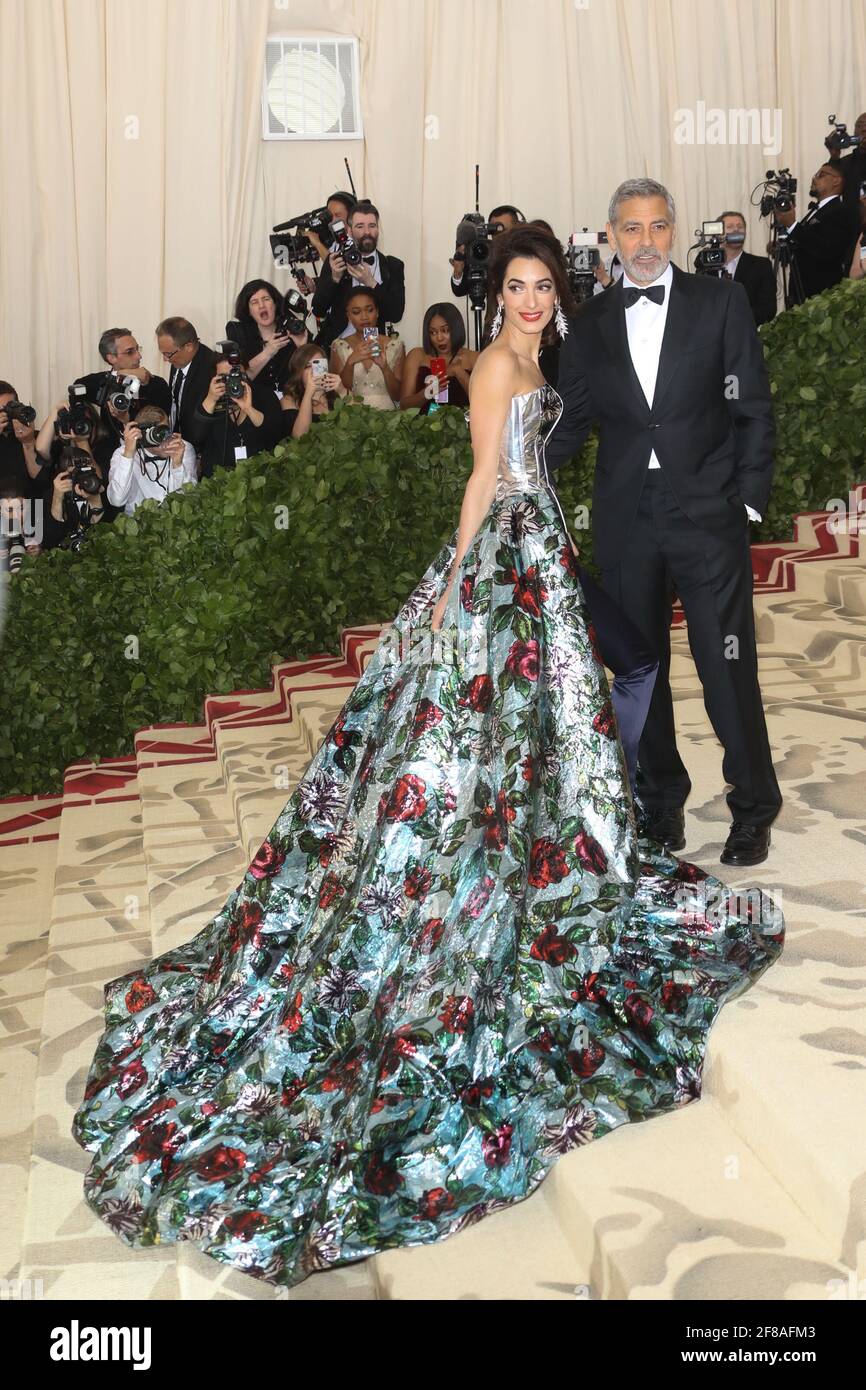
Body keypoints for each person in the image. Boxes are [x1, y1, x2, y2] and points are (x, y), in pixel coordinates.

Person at [71, 222, 784, 1292]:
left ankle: (557, 853)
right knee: (480, 735)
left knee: (548, 728)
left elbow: (551, 454)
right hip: (507, 553)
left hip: (546, 545)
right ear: (492, 292)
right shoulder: (497, 363)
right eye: (519, 284)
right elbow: (487, 474)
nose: (535, 298)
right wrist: (453, 588)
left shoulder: (544, 354)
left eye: (546, 284)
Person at [545, 177, 781, 868]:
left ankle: (753, 806)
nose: (644, 243)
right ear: (611, 234)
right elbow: (575, 421)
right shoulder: (587, 325)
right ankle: (659, 800)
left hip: (706, 515)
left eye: (655, 228)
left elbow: (753, 408)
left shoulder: (720, 302)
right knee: (638, 670)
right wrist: (519, 474)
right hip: (626, 520)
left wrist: (745, 500)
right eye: (630, 229)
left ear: (671, 232)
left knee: (724, 664)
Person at [312, 200, 405, 350]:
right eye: (360, 226)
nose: (367, 232)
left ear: (378, 229)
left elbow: (395, 314)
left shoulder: (392, 266)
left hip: (375, 346)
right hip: (338, 346)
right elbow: (318, 309)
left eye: (372, 226)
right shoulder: (335, 261)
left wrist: (371, 283)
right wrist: (334, 279)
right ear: (349, 231)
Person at [776, 160, 861, 305]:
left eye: (821, 174)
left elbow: (827, 249)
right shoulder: (815, 211)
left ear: (836, 181)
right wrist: (784, 245)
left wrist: (793, 225)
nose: (814, 178)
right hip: (802, 296)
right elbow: (807, 245)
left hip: (821, 299)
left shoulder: (841, 211)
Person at [189, 349, 283, 479]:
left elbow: (275, 434)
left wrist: (249, 409)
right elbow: (196, 439)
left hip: (260, 478)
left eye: (236, 374)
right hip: (219, 482)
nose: (232, 381)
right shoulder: (208, 399)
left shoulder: (264, 395)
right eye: (225, 377)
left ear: (246, 372)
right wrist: (211, 399)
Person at [106, 406, 197, 515]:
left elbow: (189, 498)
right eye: (158, 434)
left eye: (166, 431)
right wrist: (128, 455)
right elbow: (116, 500)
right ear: (143, 435)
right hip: (138, 524)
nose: (165, 439)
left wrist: (177, 465)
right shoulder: (123, 453)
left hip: (175, 520)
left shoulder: (182, 447)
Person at [225, 281, 309, 399]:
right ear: (248, 311)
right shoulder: (240, 334)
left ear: (275, 304)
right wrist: (268, 352)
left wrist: (302, 348)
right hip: (255, 403)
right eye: (254, 302)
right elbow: (239, 381)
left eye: (266, 299)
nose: (261, 306)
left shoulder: (291, 329)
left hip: (290, 401)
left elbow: (308, 380)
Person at [329, 288, 405, 409]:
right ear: (348, 315)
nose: (364, 317)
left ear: (377, 312)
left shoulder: (395, 345)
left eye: (370, 310)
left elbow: (398, 396)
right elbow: (337, 395)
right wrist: (350, 362)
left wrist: (385, 367)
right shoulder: (339, 346)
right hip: (352, 419)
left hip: (388, 420)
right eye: (356, 312)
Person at [399, 303, 477, 413]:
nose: (439, 338)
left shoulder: (473, 357)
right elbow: (403, 405)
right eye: (433, 332)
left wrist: (459, 372)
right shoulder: (417, 355)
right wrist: (426, 393)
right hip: (422, 425)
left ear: (456, 328)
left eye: (445, 330)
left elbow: (484, 402)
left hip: (461, 426)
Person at [155, 318, 217, 441]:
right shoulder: (180, 359)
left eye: (168, 354)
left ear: (188, 346)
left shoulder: (211, 369)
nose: (165, 360)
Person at [717, 210, 777, 325]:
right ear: (719, 234)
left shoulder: (761, 266)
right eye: (729, 227)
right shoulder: (707, 267)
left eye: (740, 227)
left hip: (746, 333)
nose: (736, 230)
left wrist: (736, 320)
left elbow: (768, 309)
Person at [279, 344, 348, 441]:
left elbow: (362, 418)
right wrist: (308, 393)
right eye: (308, 366)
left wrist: (343, 391)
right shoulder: (289, 399)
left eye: (318, 364)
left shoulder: (336, 393)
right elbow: (299, 437)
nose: (314, 371)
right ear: (299, 371)